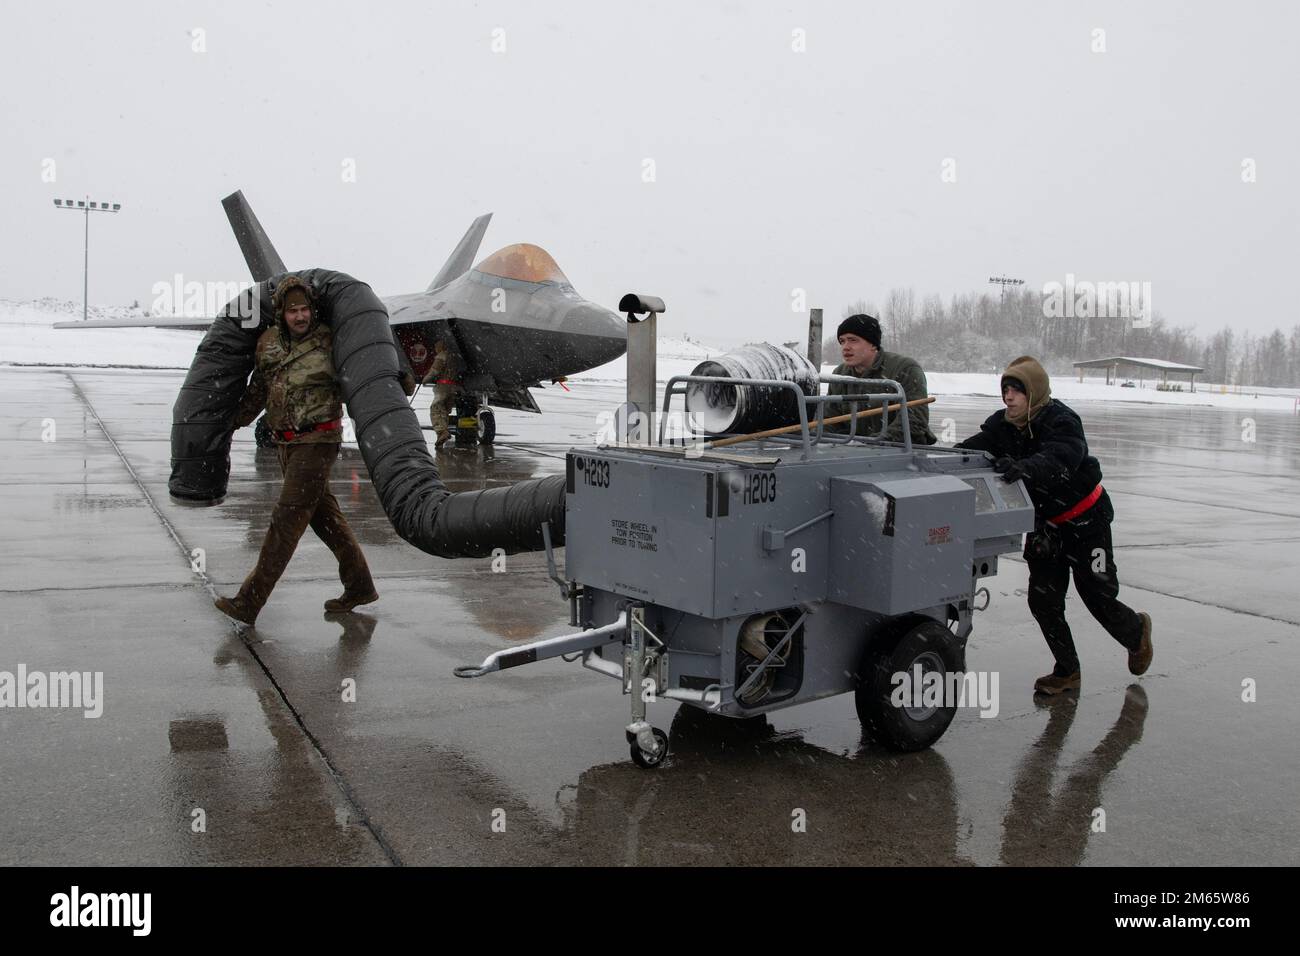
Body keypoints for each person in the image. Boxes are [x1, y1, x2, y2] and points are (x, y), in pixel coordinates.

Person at [954, 356, 1153, 694]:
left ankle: (1136, 632)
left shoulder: (1061, 420)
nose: (1009, 397)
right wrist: (934, 452)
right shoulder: (1000, 426)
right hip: (1046, 528)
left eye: (1017, 390)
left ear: (1035, 392)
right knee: (1043, 600)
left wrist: (1026, 467)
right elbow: (968, 451)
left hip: (1087, 522)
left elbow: (1063, 458)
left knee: (1097, 596)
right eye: (1005, 390)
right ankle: (1067, 671)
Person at [214, 275, 377, 626]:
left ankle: (249, 602)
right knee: (328, 521)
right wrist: (230, 422)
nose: (300, 316)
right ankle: (360, 586)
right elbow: (259, 389)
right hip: (285, 443)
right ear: (281, 314)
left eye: (305, 309)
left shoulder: (331, 341)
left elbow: (365, 370)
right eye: (293, 311)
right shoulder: (268, 344)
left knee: (285, 522)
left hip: (318, 442)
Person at [825, 314, 936, 445]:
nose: (845, 347)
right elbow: (828, 419)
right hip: (853, 453)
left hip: (902, 452)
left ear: (873, 344)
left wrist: (871, 443)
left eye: (853, 340)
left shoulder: (905, 369)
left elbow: (915, 420)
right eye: (842, 341)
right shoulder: (839, 374)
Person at [424, 339, 455, 448]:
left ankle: (442, 431)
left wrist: (425, 379)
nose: (435, 349)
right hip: (453, 387)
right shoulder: (454, 357)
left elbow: (434, 371)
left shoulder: (442, 356)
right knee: (444, 411)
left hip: (443, 386)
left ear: (440, 347)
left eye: (436, 347)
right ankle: (441, 436)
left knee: (436, 407)